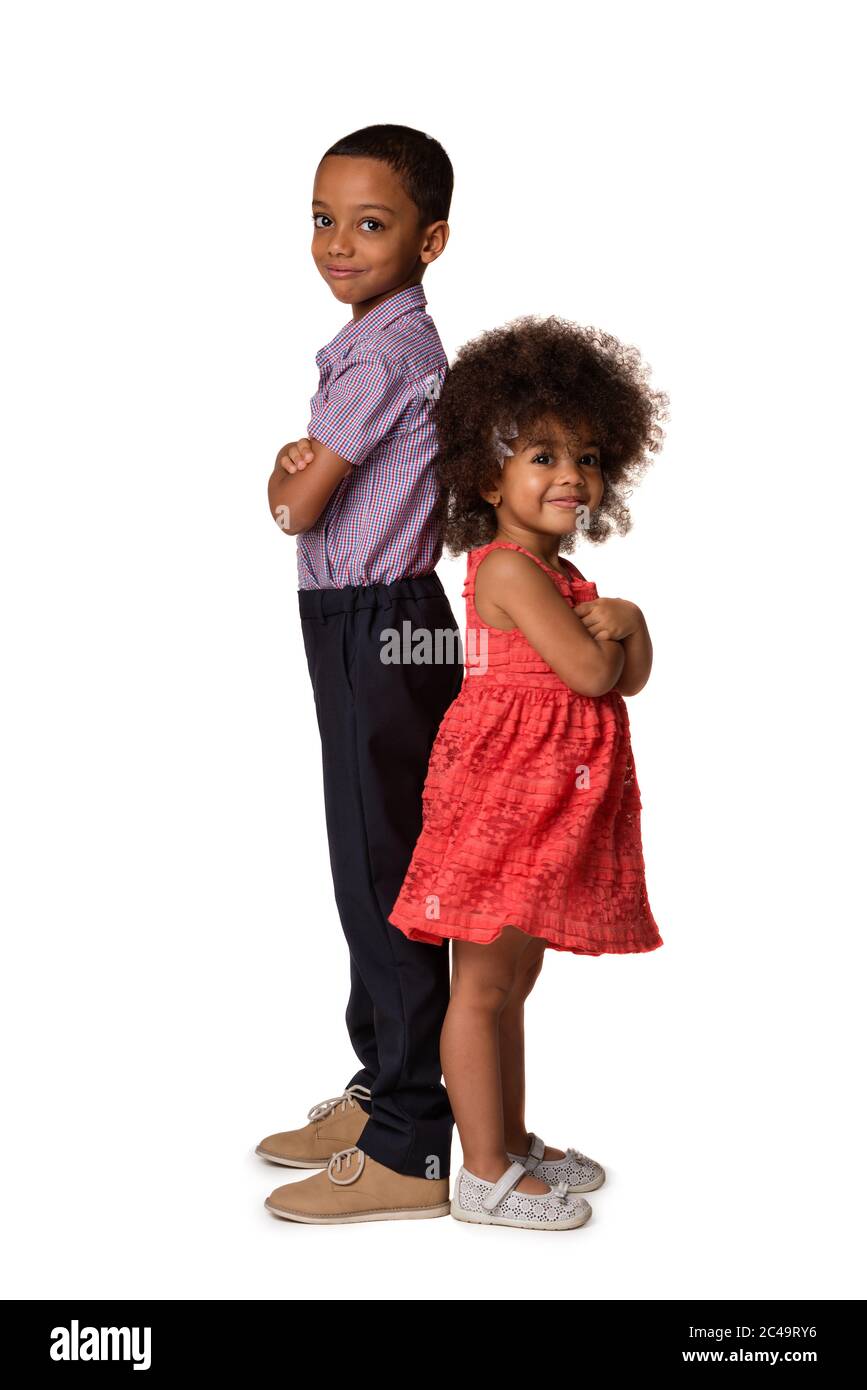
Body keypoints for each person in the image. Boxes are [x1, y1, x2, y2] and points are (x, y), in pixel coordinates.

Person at [387, 315, 669, 1230]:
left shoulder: (569, 577)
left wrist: (628, 622)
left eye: (583, 458)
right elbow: (593, 672)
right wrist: (619, 624)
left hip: (555, 805)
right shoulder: (506, 569)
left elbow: (630, 678)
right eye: (541, 456)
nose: (569, 477)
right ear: (485, 476)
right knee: (480, 987)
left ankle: (507, 1137)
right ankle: (480, 1173)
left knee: (512, 985)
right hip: (505, 801)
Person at [260, 124, 464, 1223]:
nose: (338, 242)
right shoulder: (387, 346)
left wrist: (283, 472)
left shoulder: (383, 354)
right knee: (379, 855)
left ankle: (409, 1141)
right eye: (322, 218)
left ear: (430, 238)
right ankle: (387, 1080)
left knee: (380, 871)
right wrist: (296, 474)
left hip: (372, 622)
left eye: (370, 224)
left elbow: (297, 504)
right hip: (395, 619)